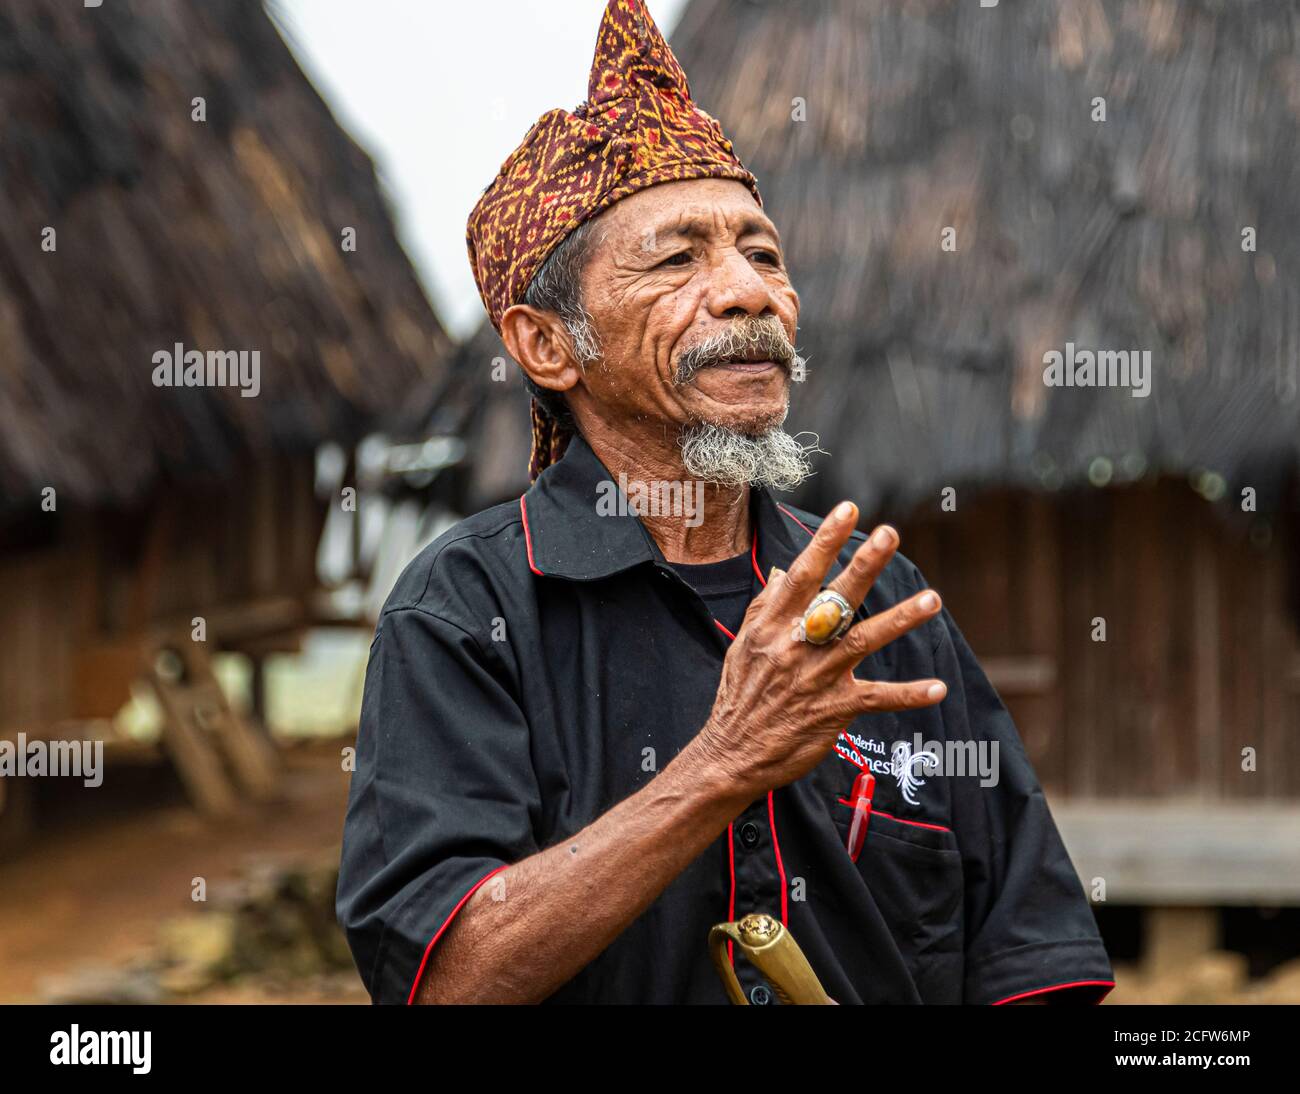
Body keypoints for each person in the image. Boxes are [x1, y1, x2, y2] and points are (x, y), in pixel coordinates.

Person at [336, 0, 1113, 1006]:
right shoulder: (464, 613)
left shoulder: (878, 604)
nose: (750, 292)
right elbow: (445, 978)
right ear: (545, 343)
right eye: (676, 258)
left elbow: (1028, 960)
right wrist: (724, 761)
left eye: (765, 253)